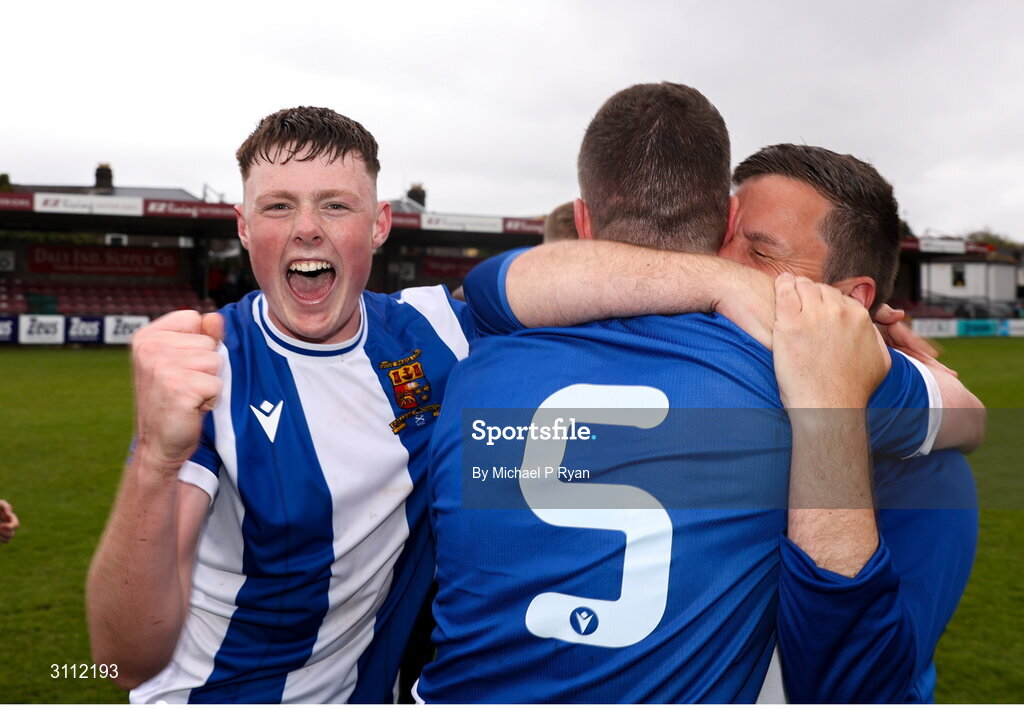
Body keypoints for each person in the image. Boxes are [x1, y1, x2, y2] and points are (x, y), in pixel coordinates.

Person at [83, 105, 796, 704]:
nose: (307, 229)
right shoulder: (217, 371)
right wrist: (154, 457)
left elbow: (544, 273)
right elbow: (121, 662)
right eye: (278, 206)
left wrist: (735, 287)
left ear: (380, 225)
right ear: (243, 227)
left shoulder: (430, 331)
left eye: (336, 205)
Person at [416, 83, 955, 703]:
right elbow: (960, 411)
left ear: (582, 223)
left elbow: (489, 283)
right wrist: (866, 343)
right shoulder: (788, 371)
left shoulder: (471, 351)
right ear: (725, 220)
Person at [723, 144, 979, 703]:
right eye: (721, 241)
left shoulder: (925, 475)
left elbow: (862, 689)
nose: (718, 271)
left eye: (760, 254)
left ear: (849, 300)